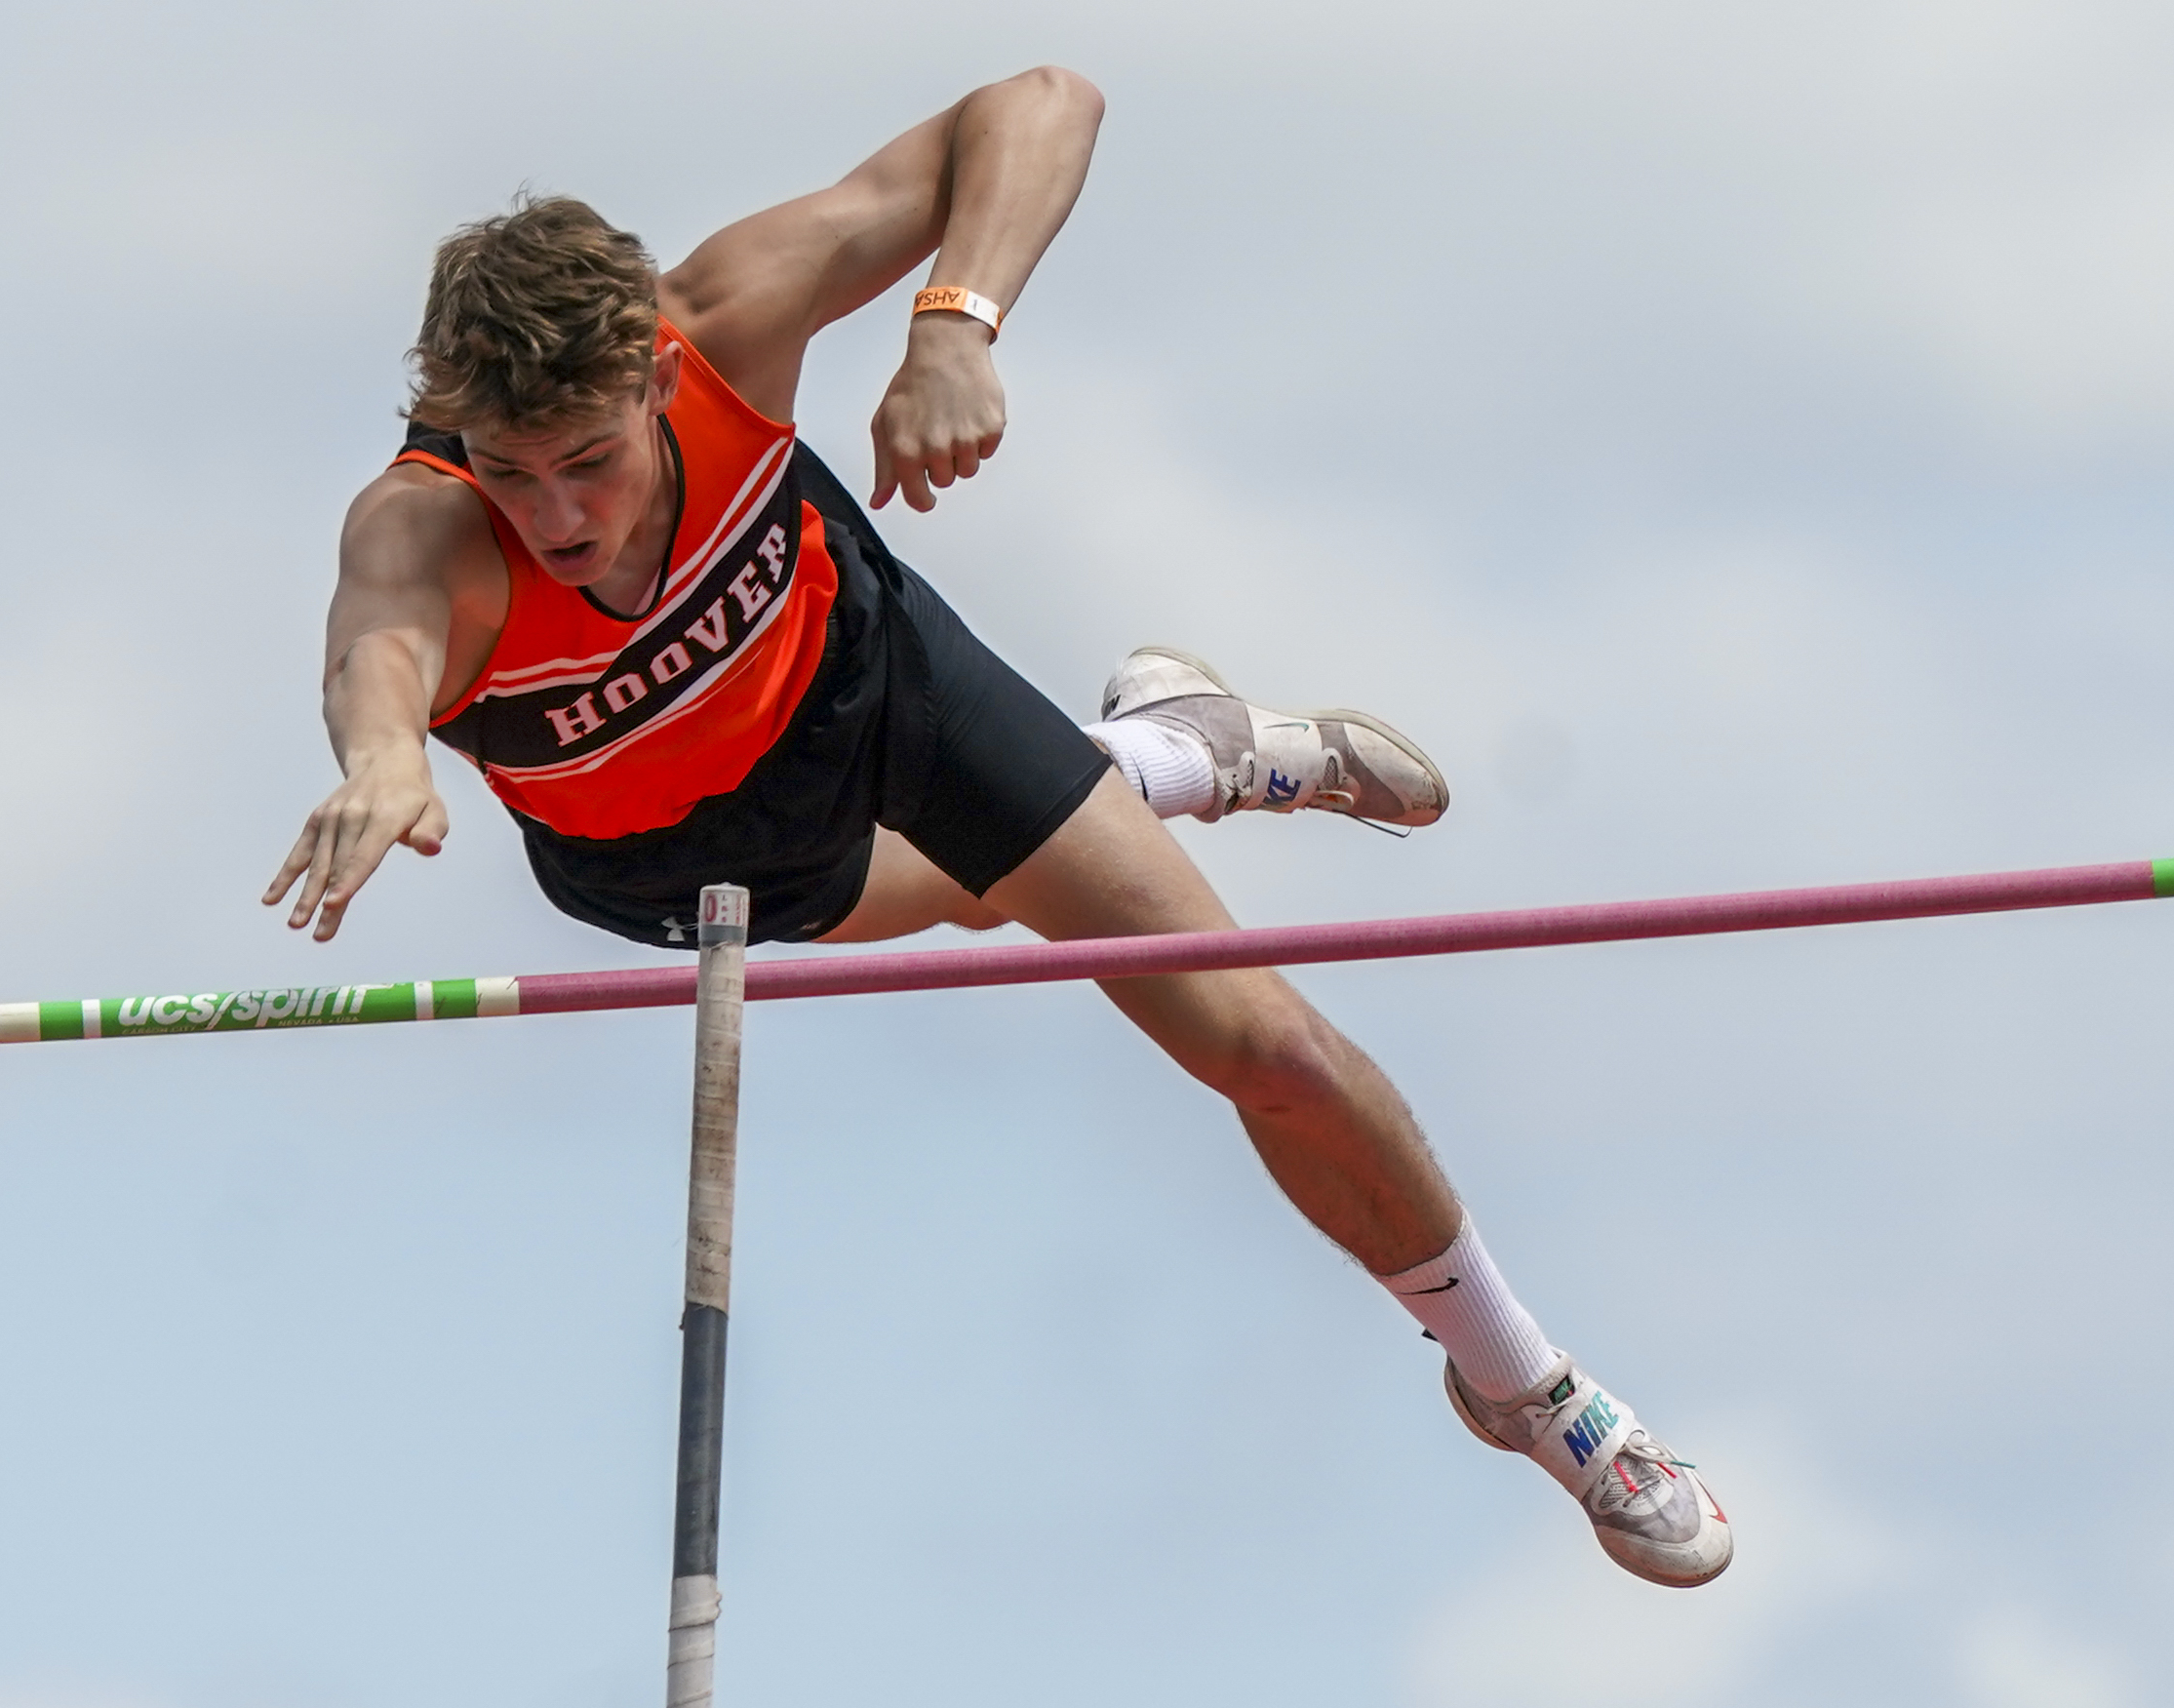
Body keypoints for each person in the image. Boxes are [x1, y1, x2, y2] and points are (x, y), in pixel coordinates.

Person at [265, 66, 1730, 1587]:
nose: (562, 519)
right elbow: (375, 650)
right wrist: (382, 761)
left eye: (591, 462)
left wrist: (953, 321)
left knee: (1265, 1048)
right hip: (672, 862)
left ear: (651, 374)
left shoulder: (731, 317)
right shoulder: (421, 525)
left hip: (877, 688)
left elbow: (1042, 101)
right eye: (514, 475)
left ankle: (1528, 1387)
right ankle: (1176, 754)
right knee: (982, 901)